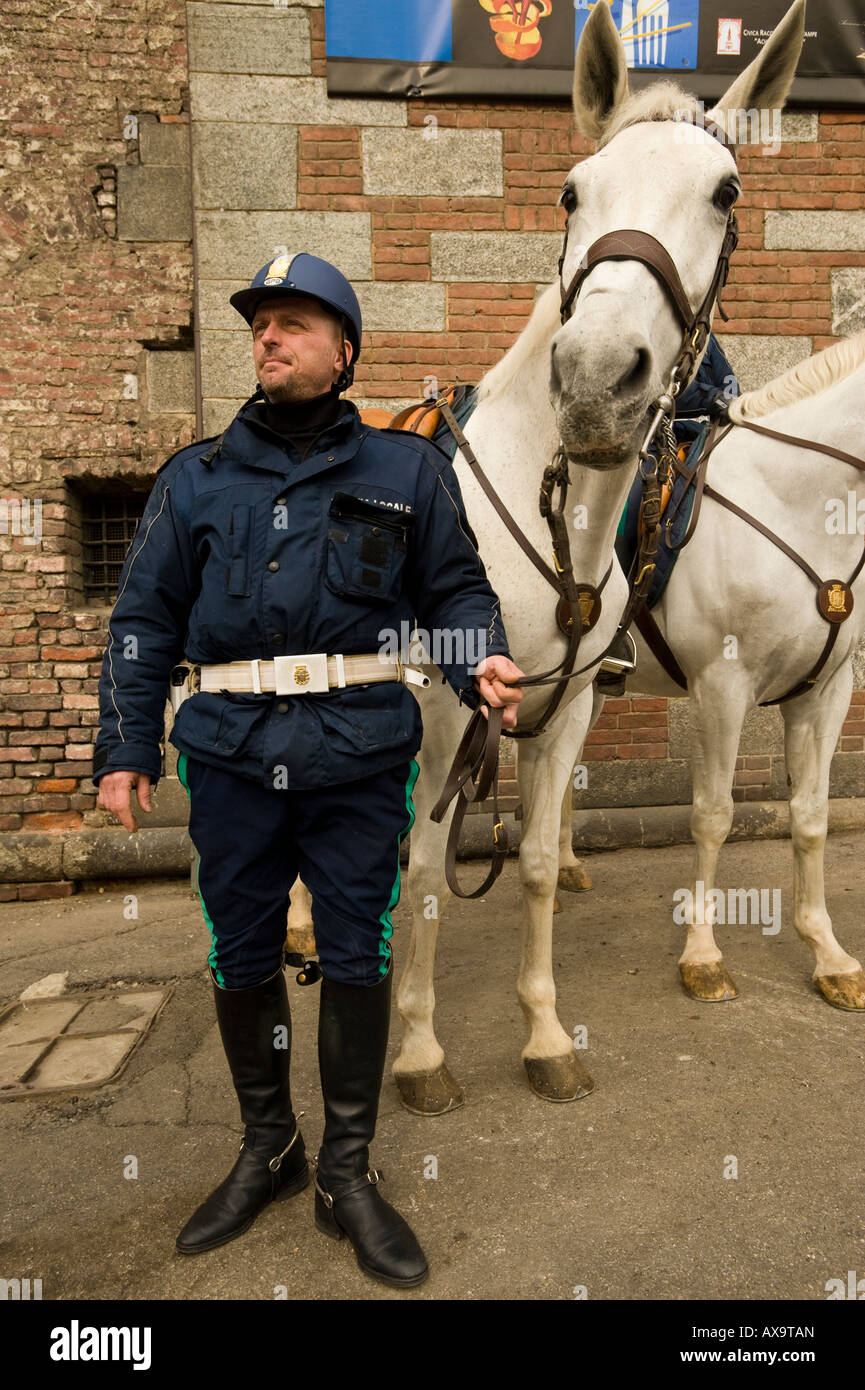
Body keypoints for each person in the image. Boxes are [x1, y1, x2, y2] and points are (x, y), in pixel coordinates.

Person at [91, 251, 524, 1290]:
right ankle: (266, 1145)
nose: (268, 339)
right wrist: (124, 745)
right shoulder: (192, 477)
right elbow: (143, 620)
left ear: (343, 351)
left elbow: (453, 595)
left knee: (356, 951)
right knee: (239, 950)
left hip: (357, 755)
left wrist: (481, 666)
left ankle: (344, 1170)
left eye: (292, 324)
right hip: (233, 758)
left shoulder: (403, 471)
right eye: (259, 326)